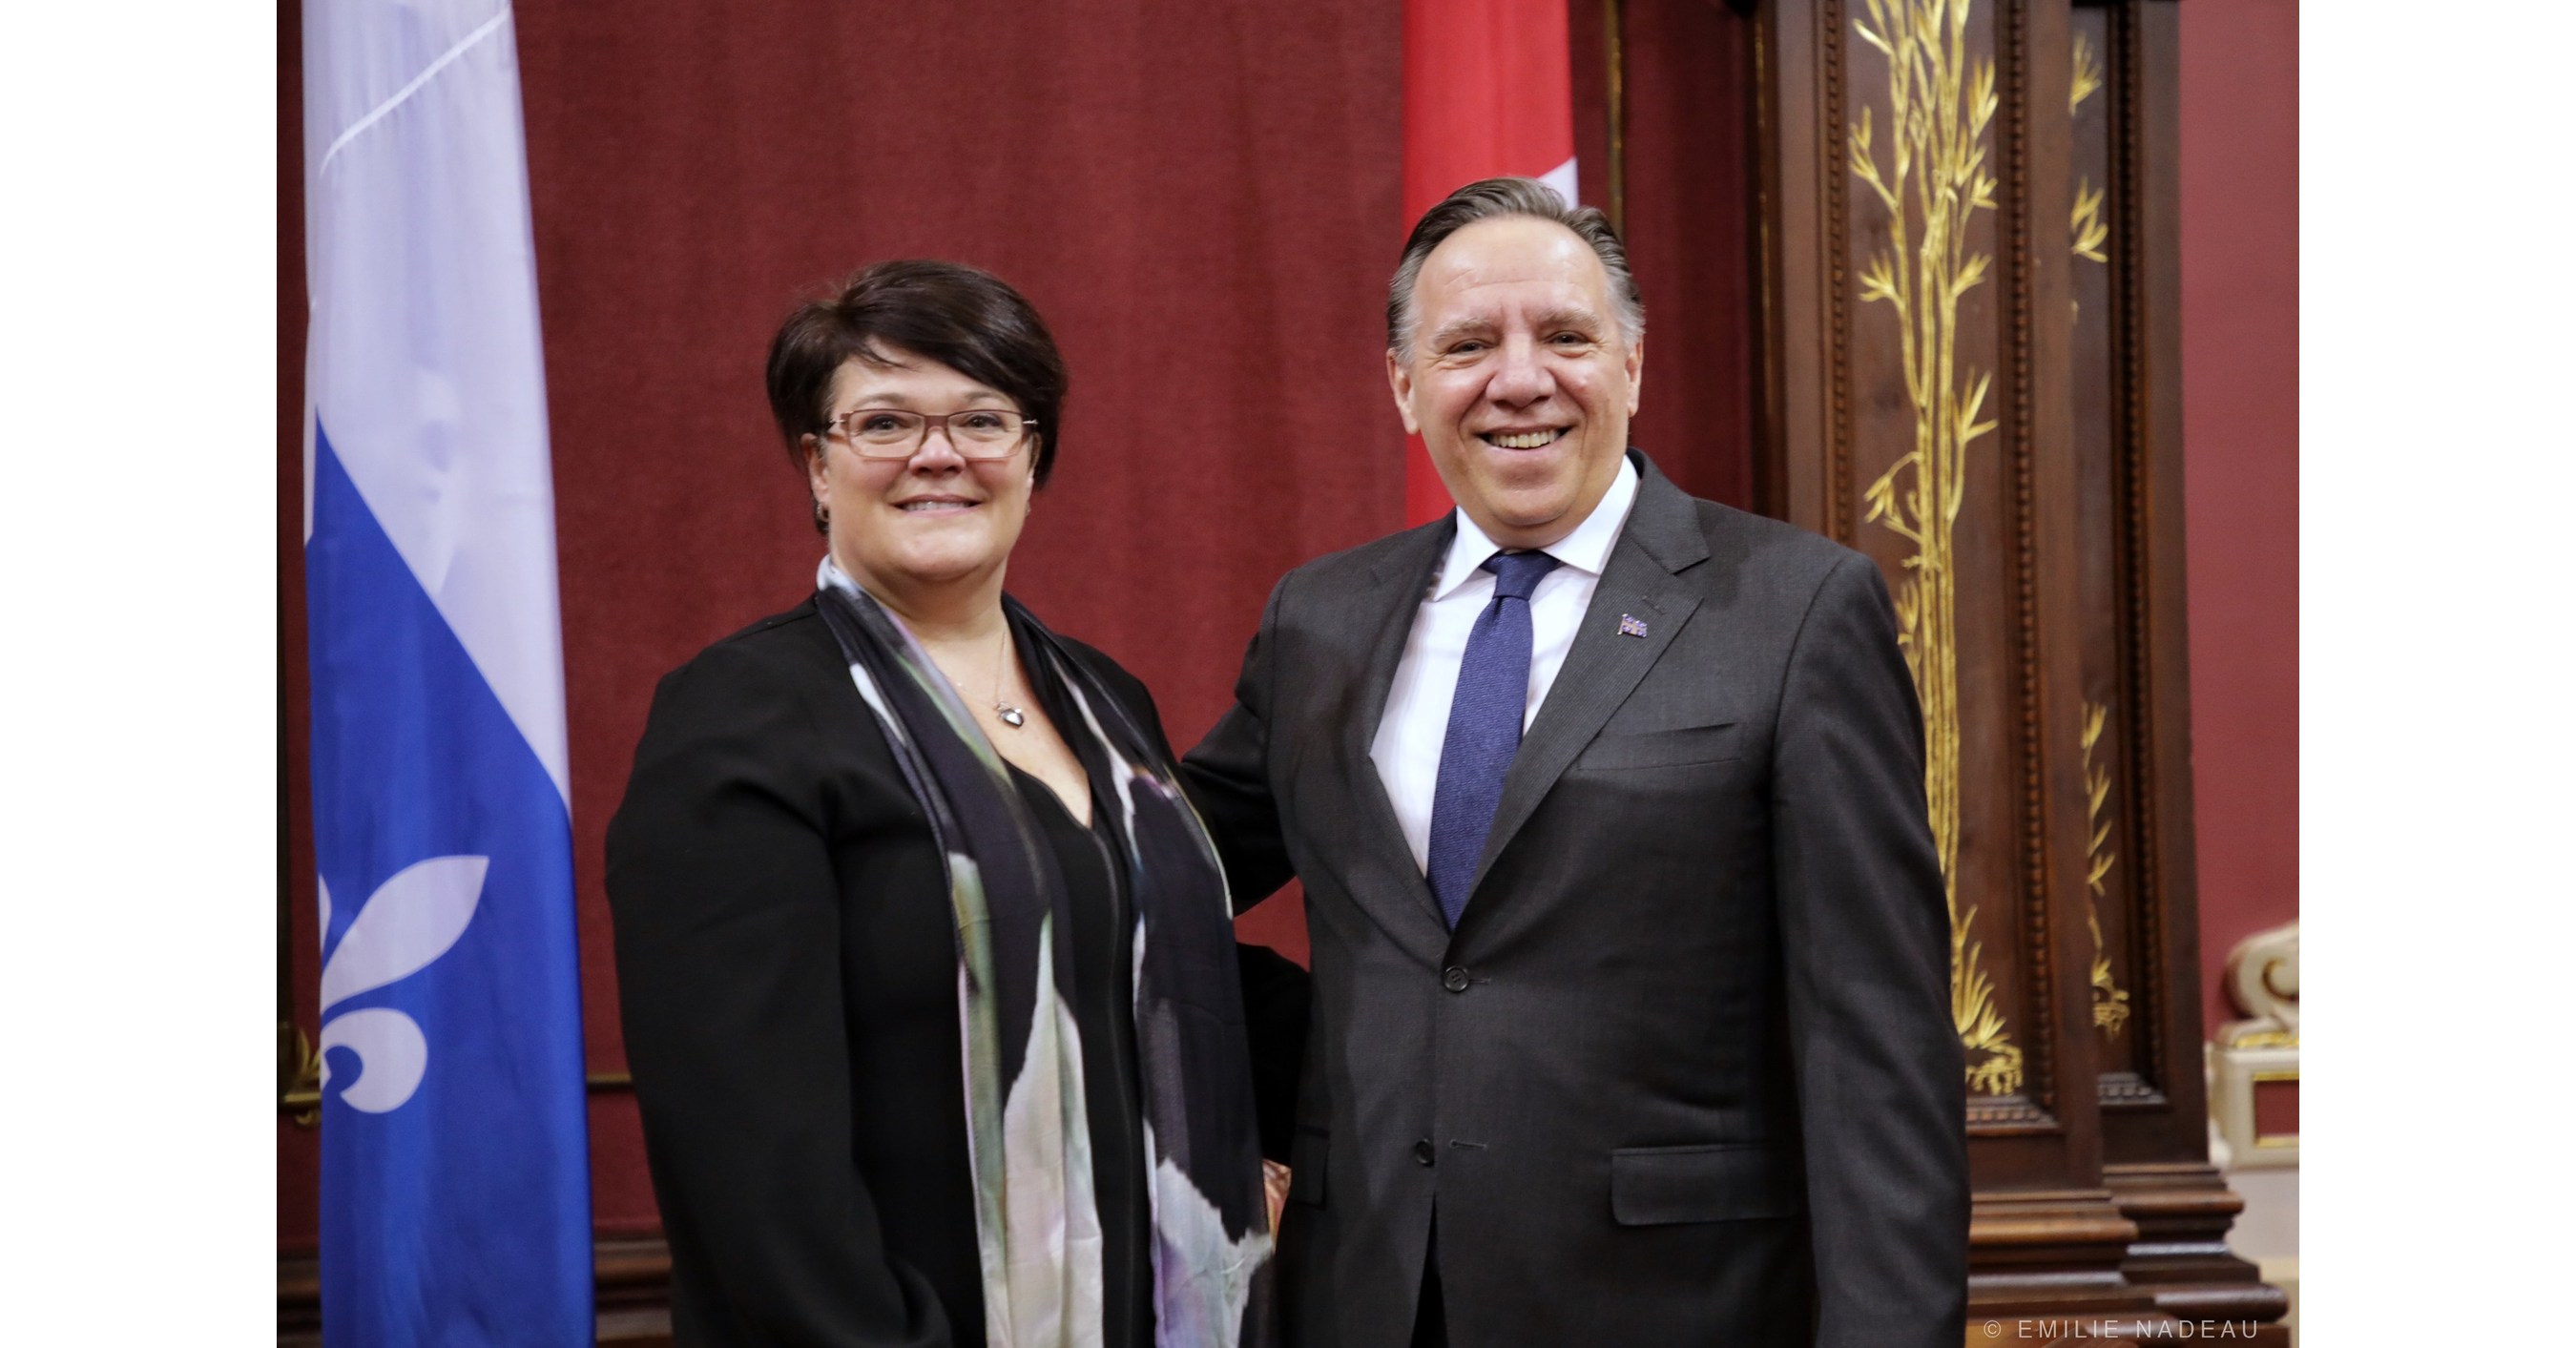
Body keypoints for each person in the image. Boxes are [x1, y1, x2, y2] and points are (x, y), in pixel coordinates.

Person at [1181, 177, 1969, 1347]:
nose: (1518, 379)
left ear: (1633, 368)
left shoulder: (1798, 611)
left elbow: (1875, 1037)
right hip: (1368, 1295)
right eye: (1464, 345)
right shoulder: (1321, 620)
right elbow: (1161, 880)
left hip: (1678, 1304)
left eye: (1564, 337)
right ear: (1404, 387)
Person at [607, 260, 1298, 1347]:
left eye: (983, 418)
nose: (939, 455)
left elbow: (1160, 960)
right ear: (817, 464)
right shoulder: (742, 719)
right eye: (884, 422)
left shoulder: (1104, 700)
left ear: (1033, 456)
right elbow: (749, 1165)